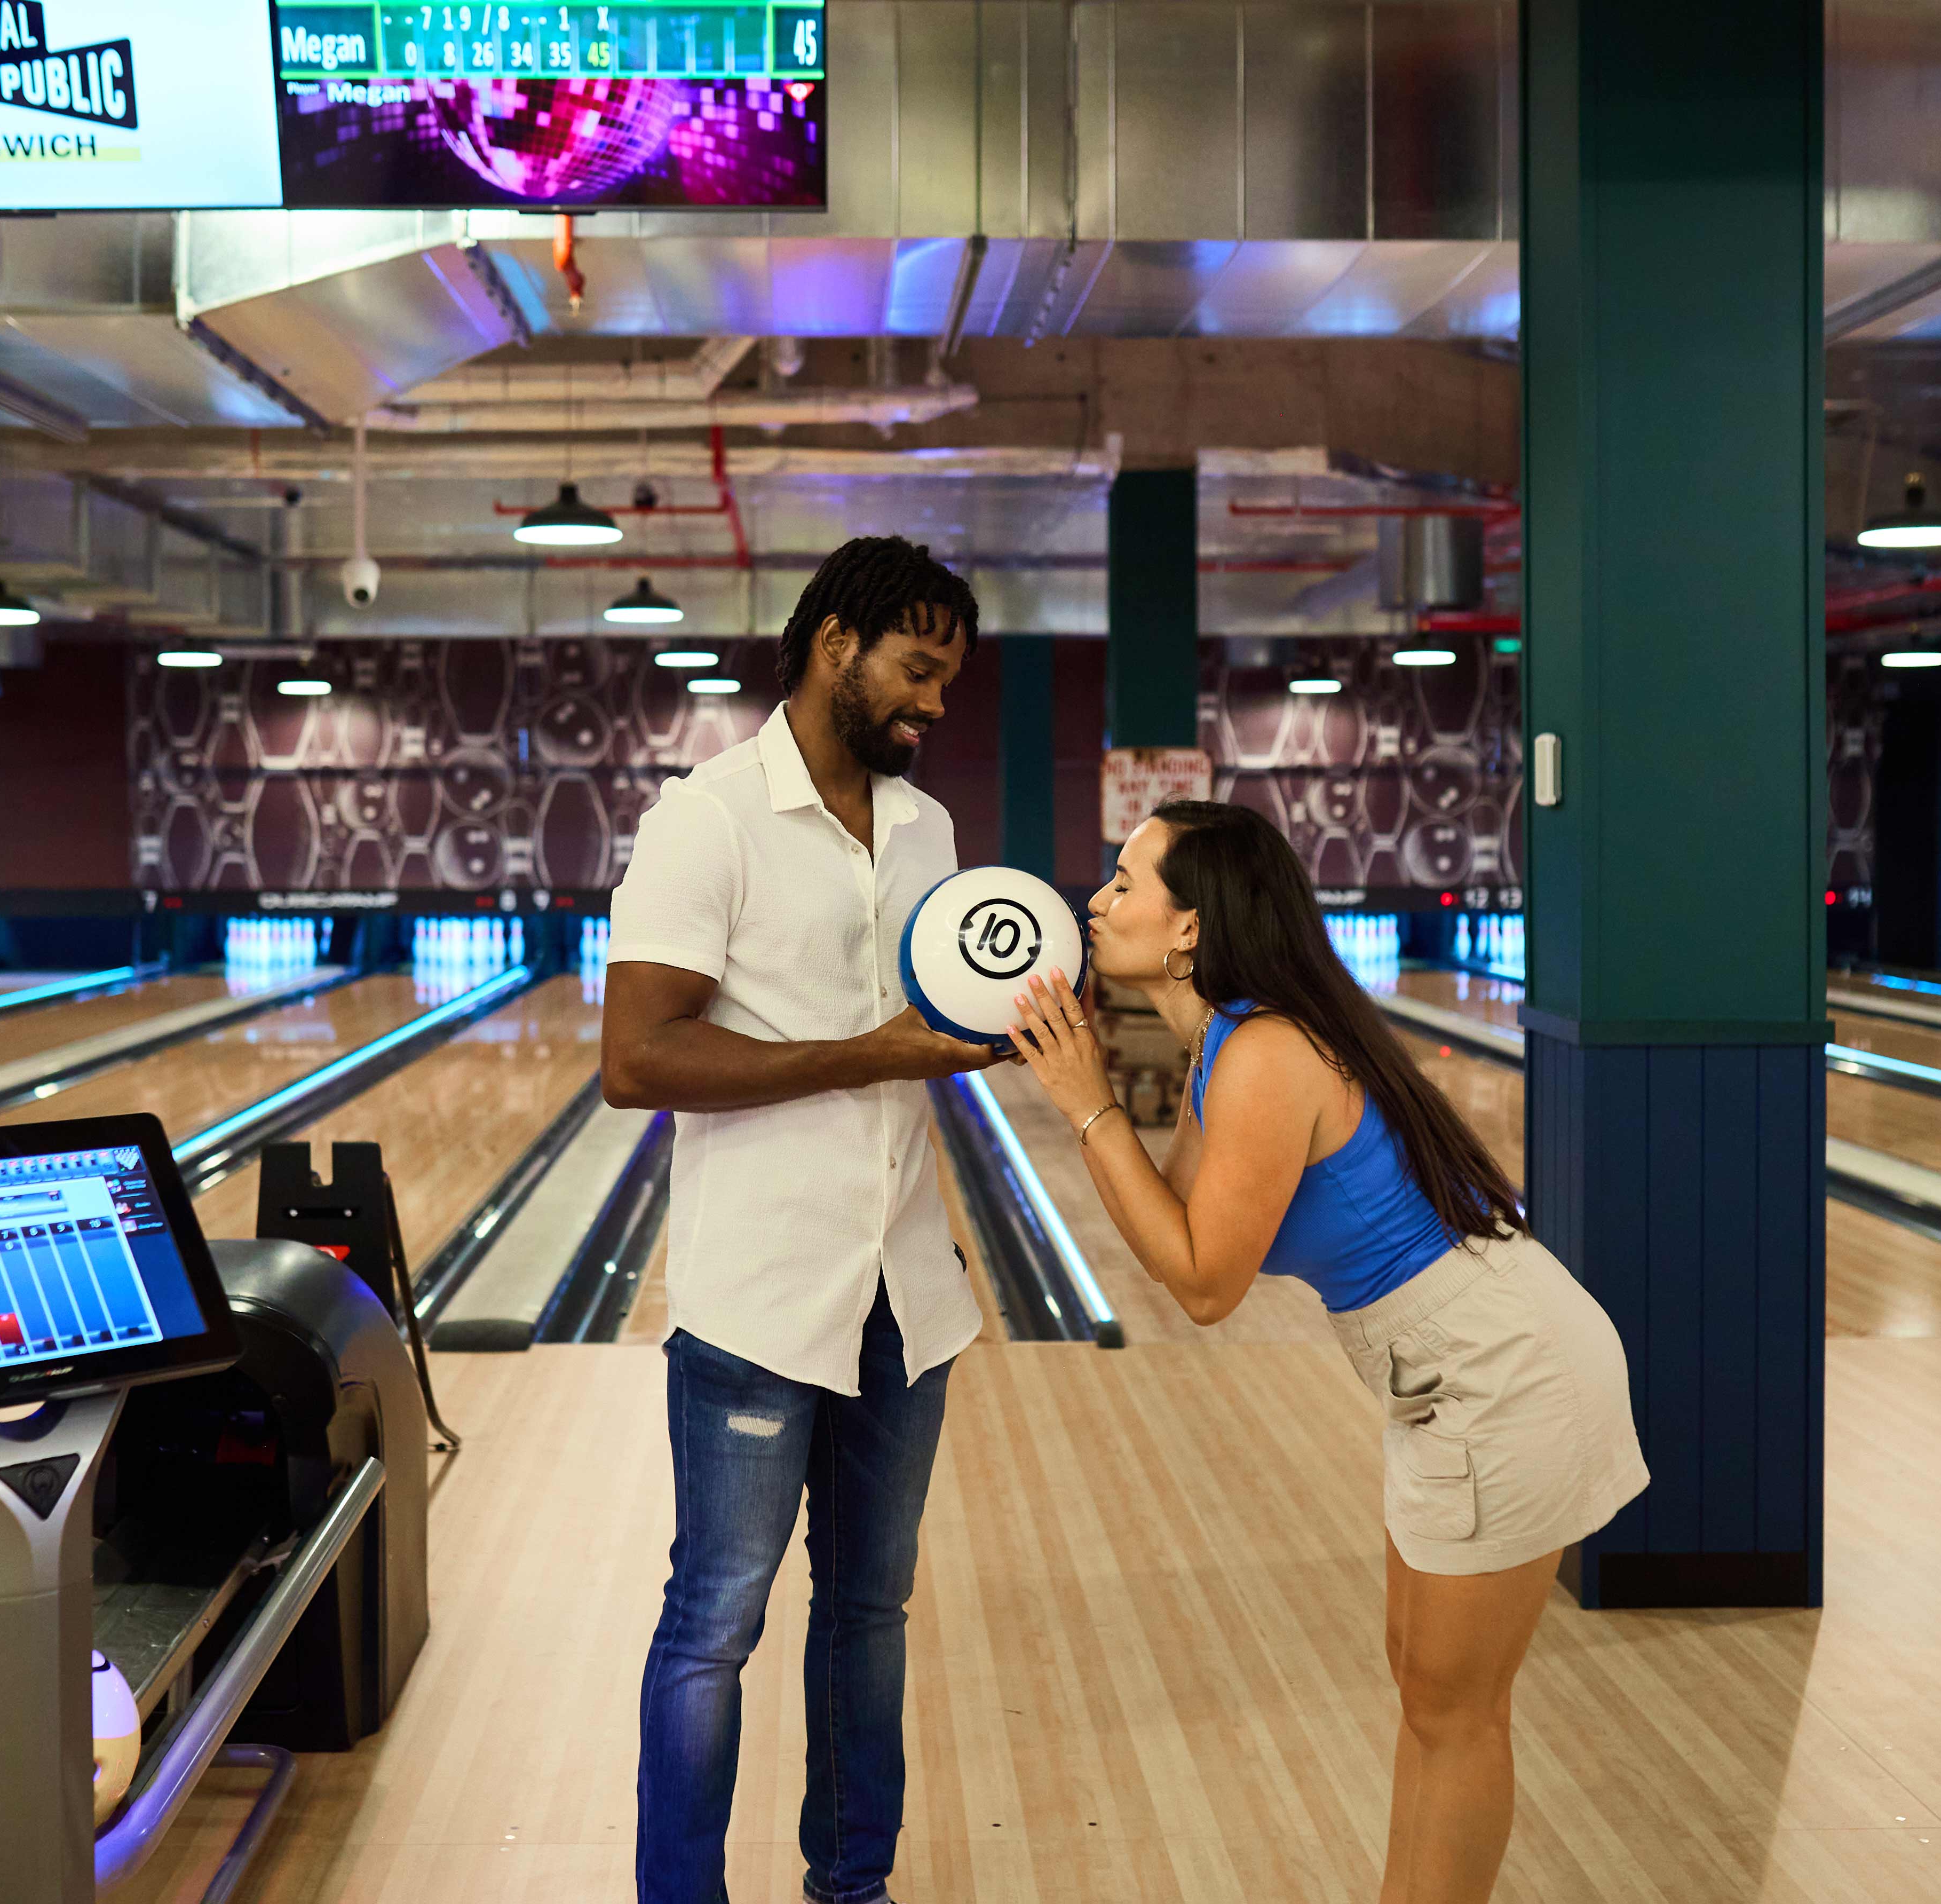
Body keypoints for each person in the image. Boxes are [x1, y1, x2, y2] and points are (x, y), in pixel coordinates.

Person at [1005, 800, 1649, 1904]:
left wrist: (1087, 1107)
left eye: (1124, 881)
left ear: (1191, 926)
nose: (1096, 900)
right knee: (1424, 1684)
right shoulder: (1226, 1038)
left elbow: (1206, 1283)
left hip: (1503, 1371)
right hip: (1446, 1369)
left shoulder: (1265, 1052)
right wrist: (1097, 1097)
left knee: (1457, 1708)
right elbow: (1179, 1238)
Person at [601, 536, 1003, 1904]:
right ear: (837, 640)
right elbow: (636, 1061)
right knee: (715, 1624)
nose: (934, 703)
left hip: (907, 1293)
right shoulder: (703, 818)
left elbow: (933, 1021)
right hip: (762, 1297)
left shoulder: (928, 829)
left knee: (869, 1615)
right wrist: (876, 1050)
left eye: (947, 679)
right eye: (917, 667)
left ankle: (854, 1884)